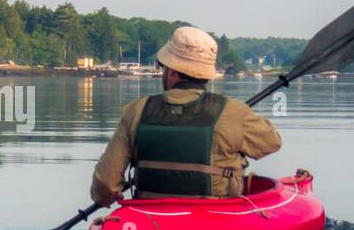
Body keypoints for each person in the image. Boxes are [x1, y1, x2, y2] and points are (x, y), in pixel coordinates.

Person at [91, 26, 281, 205]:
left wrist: (106, 197)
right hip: (215, 219)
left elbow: (106, 185)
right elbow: (271, 143)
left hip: (150, 219)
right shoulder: (234, 111)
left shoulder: (136, 110)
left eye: (163, 67)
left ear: (172, 71)